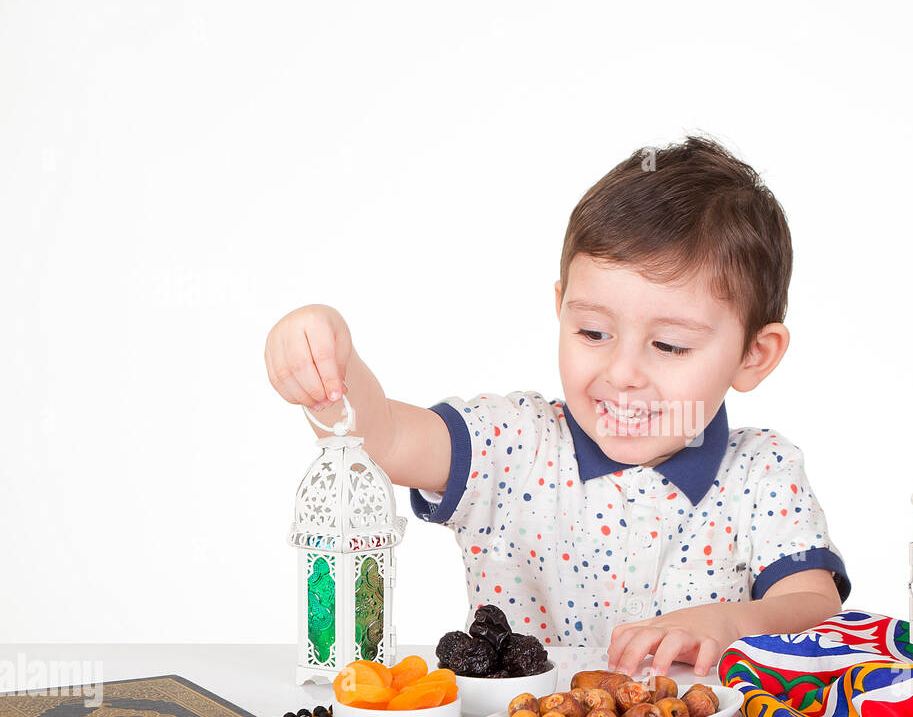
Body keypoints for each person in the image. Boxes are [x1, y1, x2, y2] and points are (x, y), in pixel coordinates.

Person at [264, 134, 850, 677]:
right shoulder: (515, 443)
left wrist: (731, 623)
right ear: (561, 307)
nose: (621, 373)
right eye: (593, 332)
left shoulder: (762, 474)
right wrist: (325, 365)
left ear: (755, 353)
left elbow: (816, 609)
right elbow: (384, 438)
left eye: (669, 345)